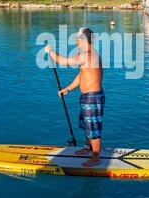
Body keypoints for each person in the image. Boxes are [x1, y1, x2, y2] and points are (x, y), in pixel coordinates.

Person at [45, 27, 104, 167]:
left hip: (93, 97)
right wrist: (67, 89)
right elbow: (81, 75)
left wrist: (51, 52)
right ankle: (87, 147)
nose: (76, 41)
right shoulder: (84, 54)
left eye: (78, 38)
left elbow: (64, 62)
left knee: (93, 127)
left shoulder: (89, 55)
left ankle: (96, 157)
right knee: (86, 125)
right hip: (87, 96)